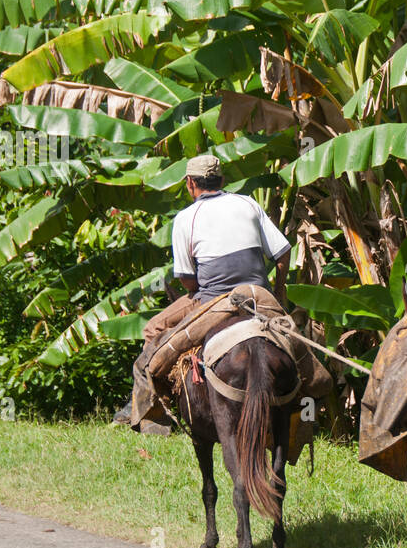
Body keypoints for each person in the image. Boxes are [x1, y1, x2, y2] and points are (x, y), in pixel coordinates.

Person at [114, 153, 291, 432]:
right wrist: (278, 294)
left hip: (213, 300)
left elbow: (187, 281)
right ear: (222, 180)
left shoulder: (186, 218)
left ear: (189, 184)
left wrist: (201, 292)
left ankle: (157, 411)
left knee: (153, 329)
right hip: (259, 296)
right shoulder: (248, 203)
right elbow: (282, 254)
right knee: (301, 346)